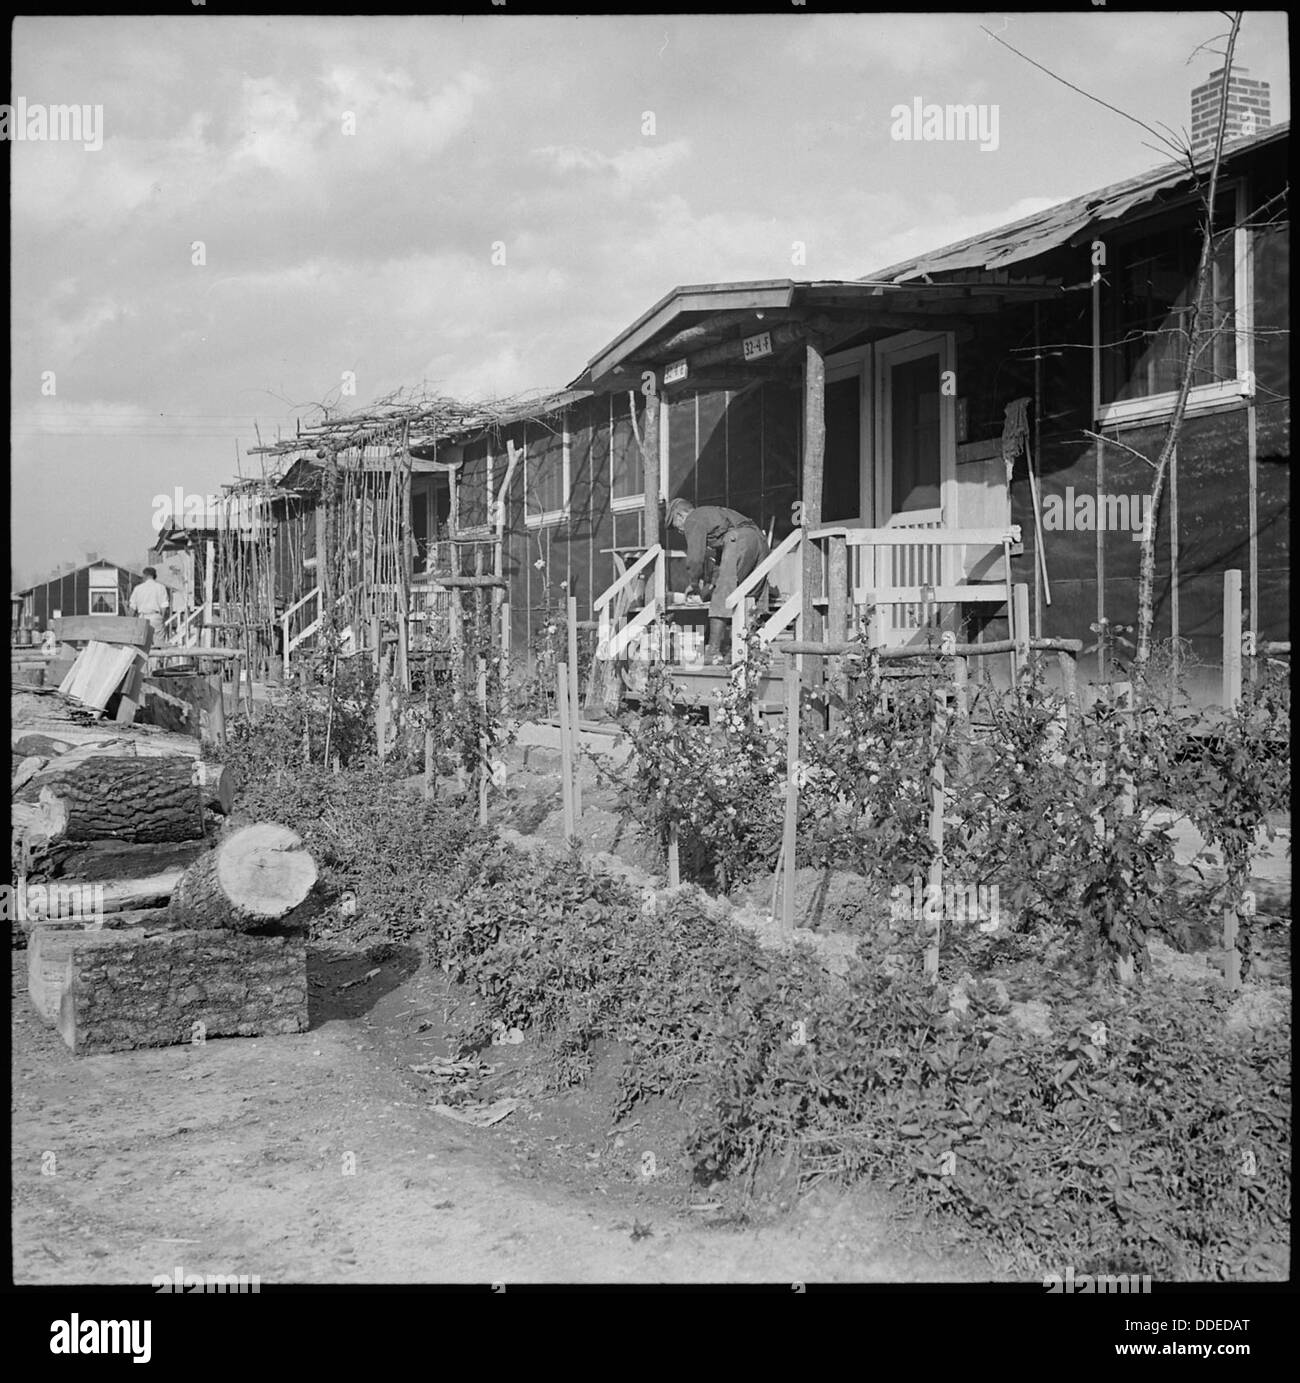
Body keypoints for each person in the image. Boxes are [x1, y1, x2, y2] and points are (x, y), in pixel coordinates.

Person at [666, 498, 768, 662]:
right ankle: (743, 649)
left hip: (738, 539)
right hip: (760, 541)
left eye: (676, 525)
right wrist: (710, 585)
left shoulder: (693, 518)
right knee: (750, 595)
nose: (679, 531)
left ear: (680, 515)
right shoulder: (712, 516)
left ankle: (713, 650)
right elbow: (721, 561)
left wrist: (694, 583)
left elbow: (695, 559)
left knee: (723, 592)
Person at [128, 567, 170, 644]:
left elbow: (132, 608)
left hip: (142, 618)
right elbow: (164, 606)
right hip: (155, 617)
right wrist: (161, 619)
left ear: (145, 575)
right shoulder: (161, 587)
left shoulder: (138, 588)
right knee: (158, 644)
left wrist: (129, 622)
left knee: (142, 644)